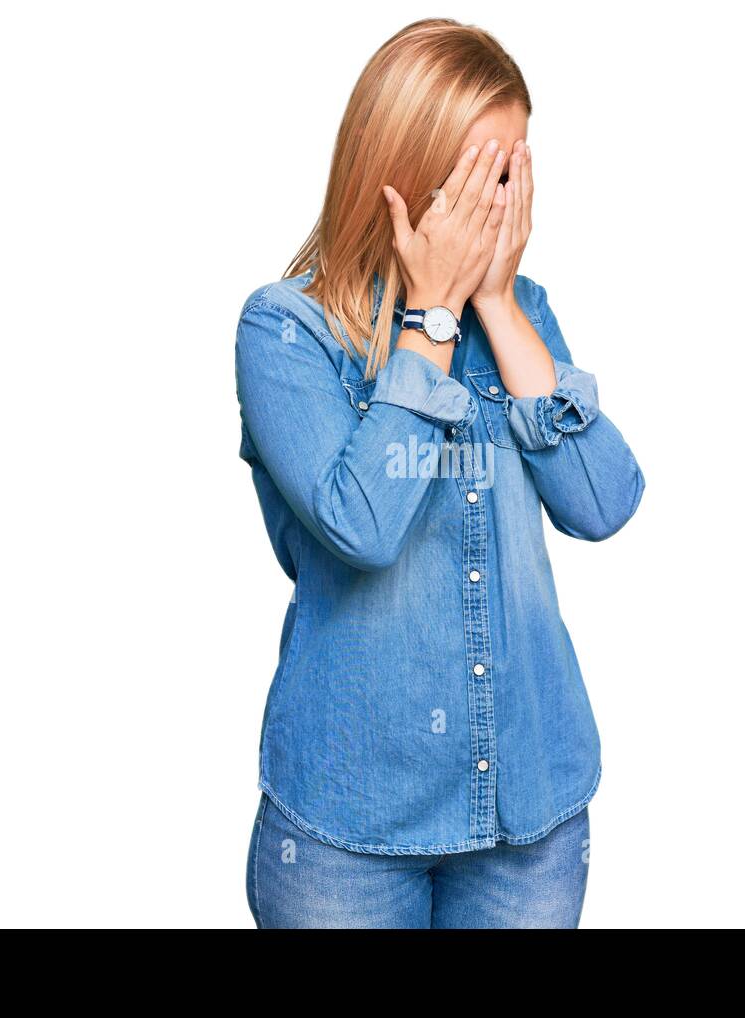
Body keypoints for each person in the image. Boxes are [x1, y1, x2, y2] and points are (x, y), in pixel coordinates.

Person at [234, 18, 644, 928]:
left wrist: (493, 301)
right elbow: (364, 528)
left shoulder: (521, 313)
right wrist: (432, 314)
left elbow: (605, 501)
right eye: (475, 177)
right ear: (403, 169)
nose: (499, 203)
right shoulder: (286, 330)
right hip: (348, 830)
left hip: (527, 817)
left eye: (514, 173)